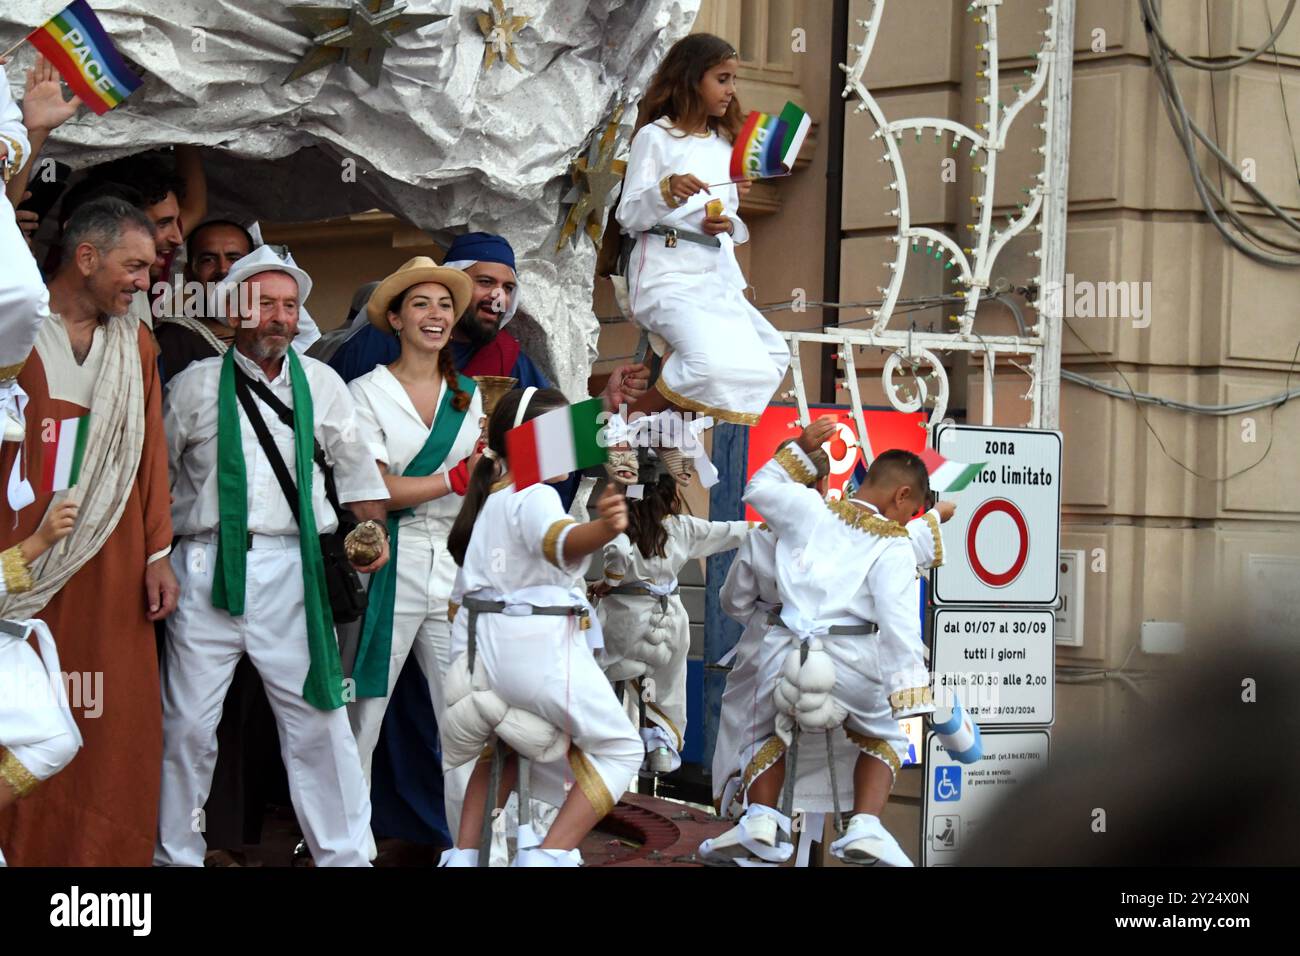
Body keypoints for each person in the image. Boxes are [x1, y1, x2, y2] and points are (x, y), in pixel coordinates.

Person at [156, 245, 390, 867]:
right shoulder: (194, 385)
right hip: (204, 568)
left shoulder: (322, 384)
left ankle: (343, 857)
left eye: (289, 305)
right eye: (264, 303)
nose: (279, 317)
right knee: (186, 728)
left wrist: (373, 537)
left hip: (295, 573)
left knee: (319, 723)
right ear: (233, 309)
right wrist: (156, 557)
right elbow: (155, 482)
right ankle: (173, 855)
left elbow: (359, 479)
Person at [0, 198, 178, 866]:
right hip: (18, 553)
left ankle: (100, 867)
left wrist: (157, 551)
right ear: (85, 257)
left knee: (107, 716)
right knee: (24, 717)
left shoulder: (135, 339)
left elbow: (148, 448)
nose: (143, 281)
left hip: (110, 548)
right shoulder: (13, 329)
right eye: (133, 265)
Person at [699, 419, 935, 866]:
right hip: (852, 658)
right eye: (914, 510)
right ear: (901, 496)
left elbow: (759, 490)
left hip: (783, 653)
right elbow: (898, 622)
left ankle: (762, 818)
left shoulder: (811, 512)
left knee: (756, 732)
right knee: (884, 736)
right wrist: (909, 693)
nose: (910, 520)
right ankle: (864, 824)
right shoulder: (895, 545)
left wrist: (803, 447)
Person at [438, 387, 643, 866]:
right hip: (537, 651)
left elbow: (461, 603)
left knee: (507, 747)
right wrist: (605, 529)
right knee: (619, 749)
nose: (571, 445)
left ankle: (464, 857)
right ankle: (549, 856)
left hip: (487, 652)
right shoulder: (534, 497)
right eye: (560, 435)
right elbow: (561, 543)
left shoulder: (492, 500)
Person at [345, 257, 485, 847]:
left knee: (464, 715)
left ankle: (469, 848)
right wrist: (456, 481)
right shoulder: (365, 393)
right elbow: (372, 494)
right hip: (391, 559)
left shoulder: (472, 395)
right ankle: (344, 848)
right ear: (396, 318)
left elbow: (485, 479)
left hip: (453, 563)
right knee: (362, 717)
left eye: (445, 305)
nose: (436, 315)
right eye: (422, 304)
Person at [614, 34, 789, 430]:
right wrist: (667, 191)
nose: (730, 91)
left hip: (714, 278)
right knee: (707, 364)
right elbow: (628, 214)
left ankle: (667, 433)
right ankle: (626, 427)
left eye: (732, 80)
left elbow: (730, 220)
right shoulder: (654, 137)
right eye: (722, 79)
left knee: (772, 357)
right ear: (693, 79)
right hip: (666, 274)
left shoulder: (726, 147)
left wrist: (726, 223)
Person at [593, 451, 750, 773]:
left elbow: (617, 555)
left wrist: (608, 582)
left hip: (625, 618)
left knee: (599, 674)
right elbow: (733, 532)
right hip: (671, 619)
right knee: (669, 683)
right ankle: (661, 745)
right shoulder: (684, 528)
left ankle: (610, 746)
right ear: (669, 493)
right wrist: (774, 527)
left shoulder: (622, 527)